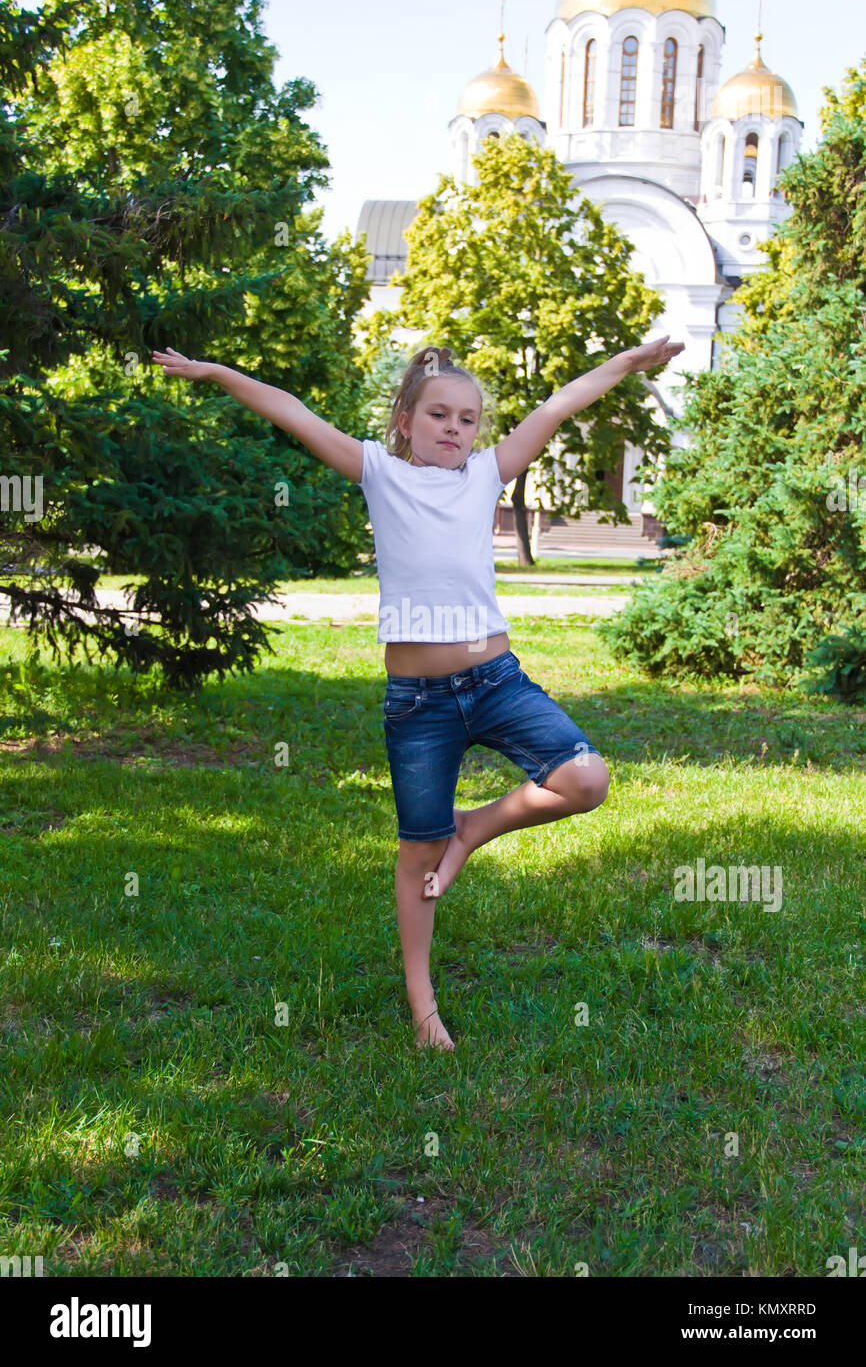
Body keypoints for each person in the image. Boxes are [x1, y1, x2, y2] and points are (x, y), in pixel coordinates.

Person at [151, 334, 685, 1052]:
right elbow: (294, 412)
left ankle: (473, 829)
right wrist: (217, 369)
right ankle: (422, 1005)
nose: (454, 429)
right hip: (418, 704)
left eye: (467, 419)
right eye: (438, 415)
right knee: (418, 856)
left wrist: (625, 365)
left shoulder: (487, 475)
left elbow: (558, 406)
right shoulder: (378, 470)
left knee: (585, 778)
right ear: (405, 419)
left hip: (496, 682)